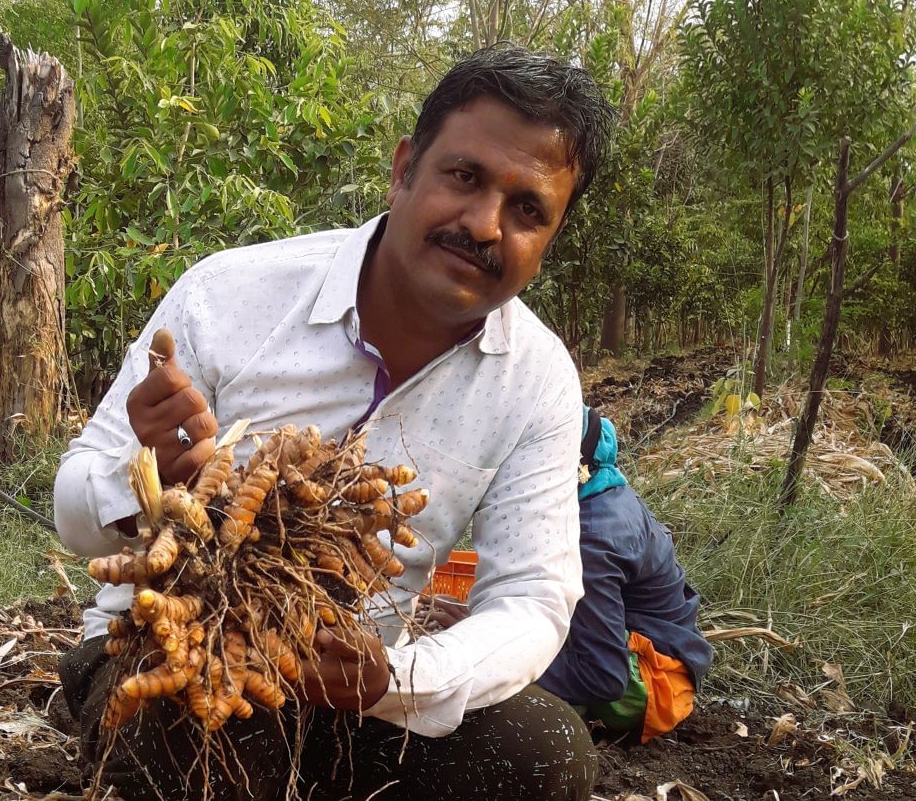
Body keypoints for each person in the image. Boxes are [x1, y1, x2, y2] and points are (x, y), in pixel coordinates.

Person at [53, 44, 617, 800]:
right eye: (465, 177)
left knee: (550, 753)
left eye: (527, 210)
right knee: (203, 744)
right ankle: (99, 708)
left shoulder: (537, 380)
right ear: (404, 168)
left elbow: (534, 599)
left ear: (550, 241)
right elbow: (71, 507)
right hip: (170, 656)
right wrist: (153, 491)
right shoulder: (231, 294)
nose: (484, 224)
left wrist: (400, 677)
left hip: (356, 698)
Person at [536, 406, 713, 743]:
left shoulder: (591, 538)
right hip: (661, 651)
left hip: (647, 686)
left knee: (508, 688)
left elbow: (603, 677)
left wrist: (496, 659)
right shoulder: (605, 492)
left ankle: (583, 721)